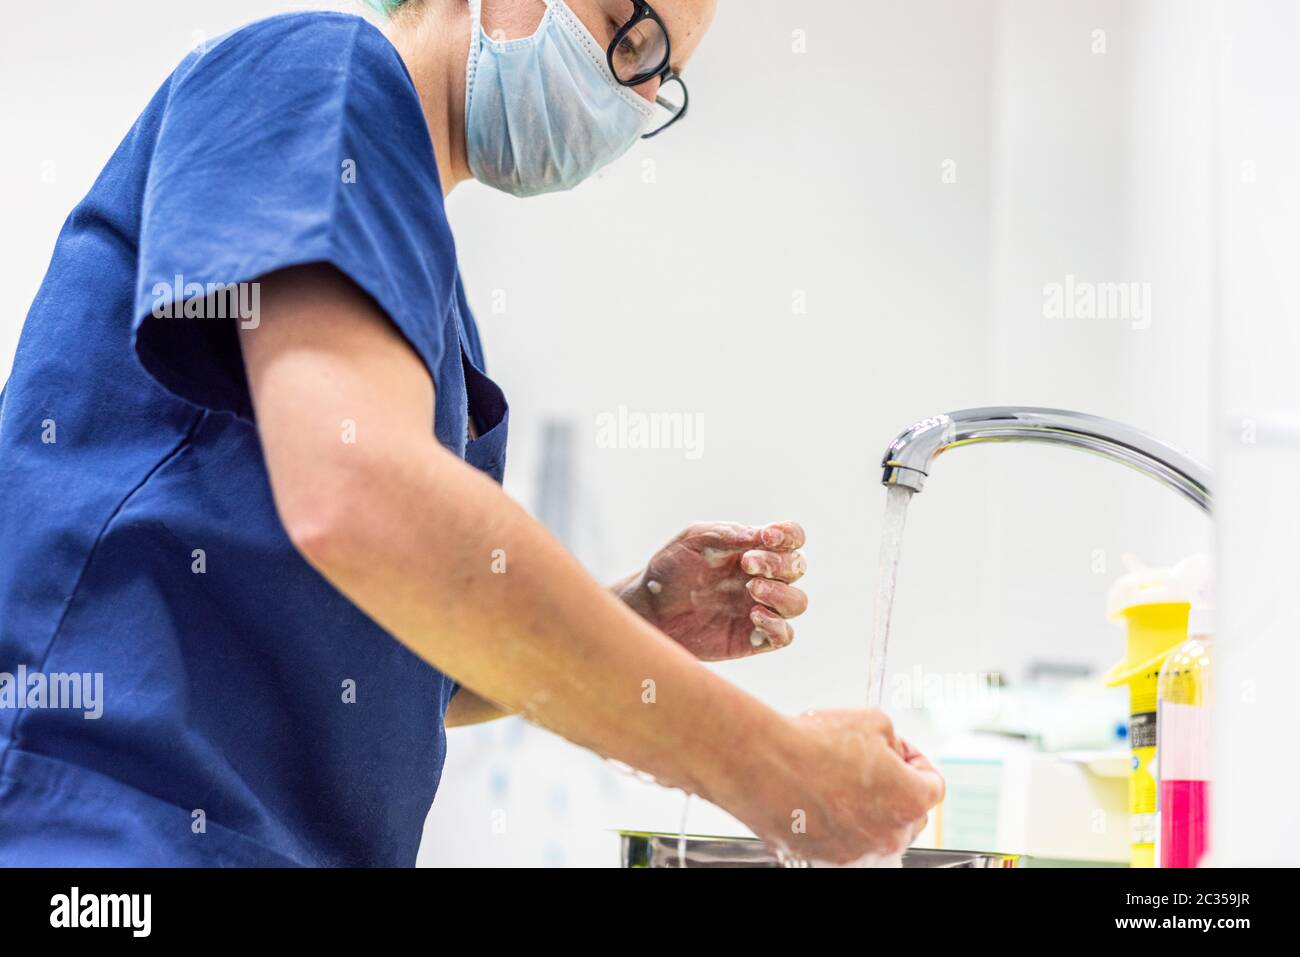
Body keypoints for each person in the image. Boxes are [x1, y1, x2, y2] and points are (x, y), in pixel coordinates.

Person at [0, 0, 943, 866]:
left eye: (666, 78)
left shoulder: (435, 308)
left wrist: (641, 612)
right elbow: (361, 501)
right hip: (104, 831)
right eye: (633, 33)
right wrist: (777, 770)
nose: (641, 92)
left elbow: (410, 673)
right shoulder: (319, 70)